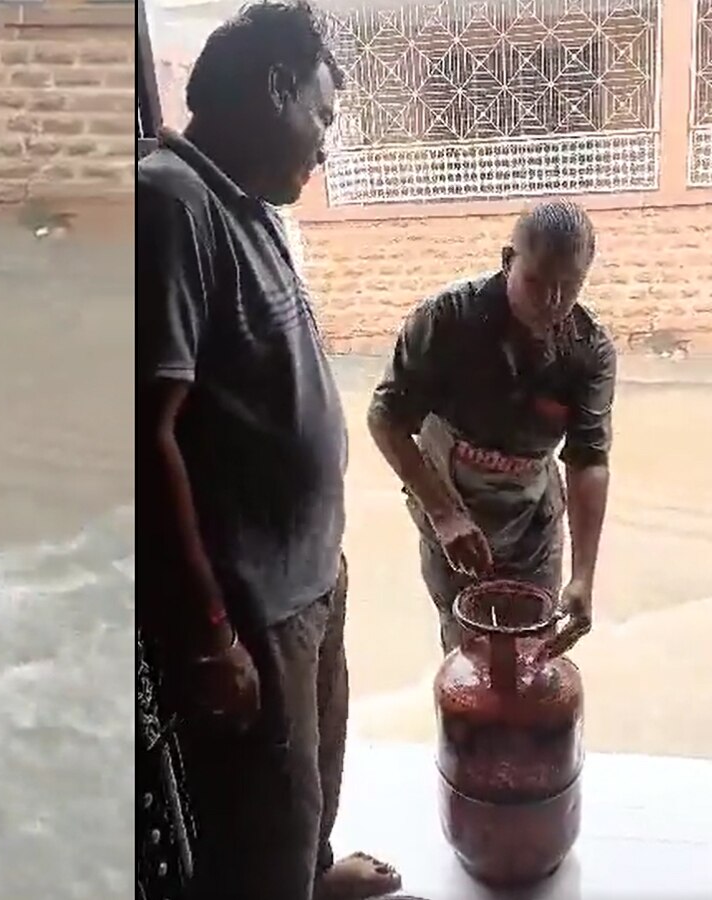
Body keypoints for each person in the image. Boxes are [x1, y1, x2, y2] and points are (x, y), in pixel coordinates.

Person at [137, 3, 402, 898]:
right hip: (255, 604)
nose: (325, 144)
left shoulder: (245, 204)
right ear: (275, 87)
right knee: (265, 823)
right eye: (323, 116)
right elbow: (150, 434)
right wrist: (212, 634)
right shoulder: (169, 201)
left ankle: (314, 878)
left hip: (310, 574)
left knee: (312, 782)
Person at [368, 199, 615, 658]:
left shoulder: (589, 349)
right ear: (507, 262)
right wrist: (443, 514)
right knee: (469, 652)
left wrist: (583, 577)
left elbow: (588, 461)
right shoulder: (445, 321)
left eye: (571, 285)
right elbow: (385, 418)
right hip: (451, 507)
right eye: (537, 282)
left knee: (534, 651)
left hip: (532, 524)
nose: (553, 303)